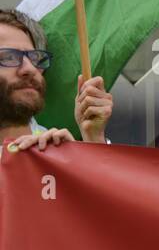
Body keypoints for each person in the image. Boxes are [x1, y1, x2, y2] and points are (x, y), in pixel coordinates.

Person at [1, 8, 113, 153]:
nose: (30, 68)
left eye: (35, 58)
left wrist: (94, 143)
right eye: (9, 57)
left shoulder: (59, 152)